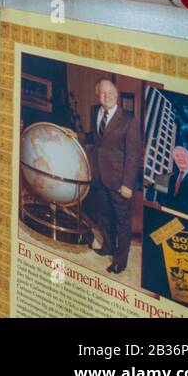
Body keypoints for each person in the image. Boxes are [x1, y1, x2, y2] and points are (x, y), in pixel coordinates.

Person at [85, 78, 141, 275]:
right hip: (99, 176)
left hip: (119, 182)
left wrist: (127, 184)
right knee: (103, 215)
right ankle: (108, 246)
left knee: (122, 221)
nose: (106, 96)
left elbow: (133, 156)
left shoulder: (128, 120)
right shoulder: (95, 112)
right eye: (102, 92)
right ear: (97, 94)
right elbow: (95, 139)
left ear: (116, 95)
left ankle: (120, 261)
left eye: (110, 92)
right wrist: (75, 135)